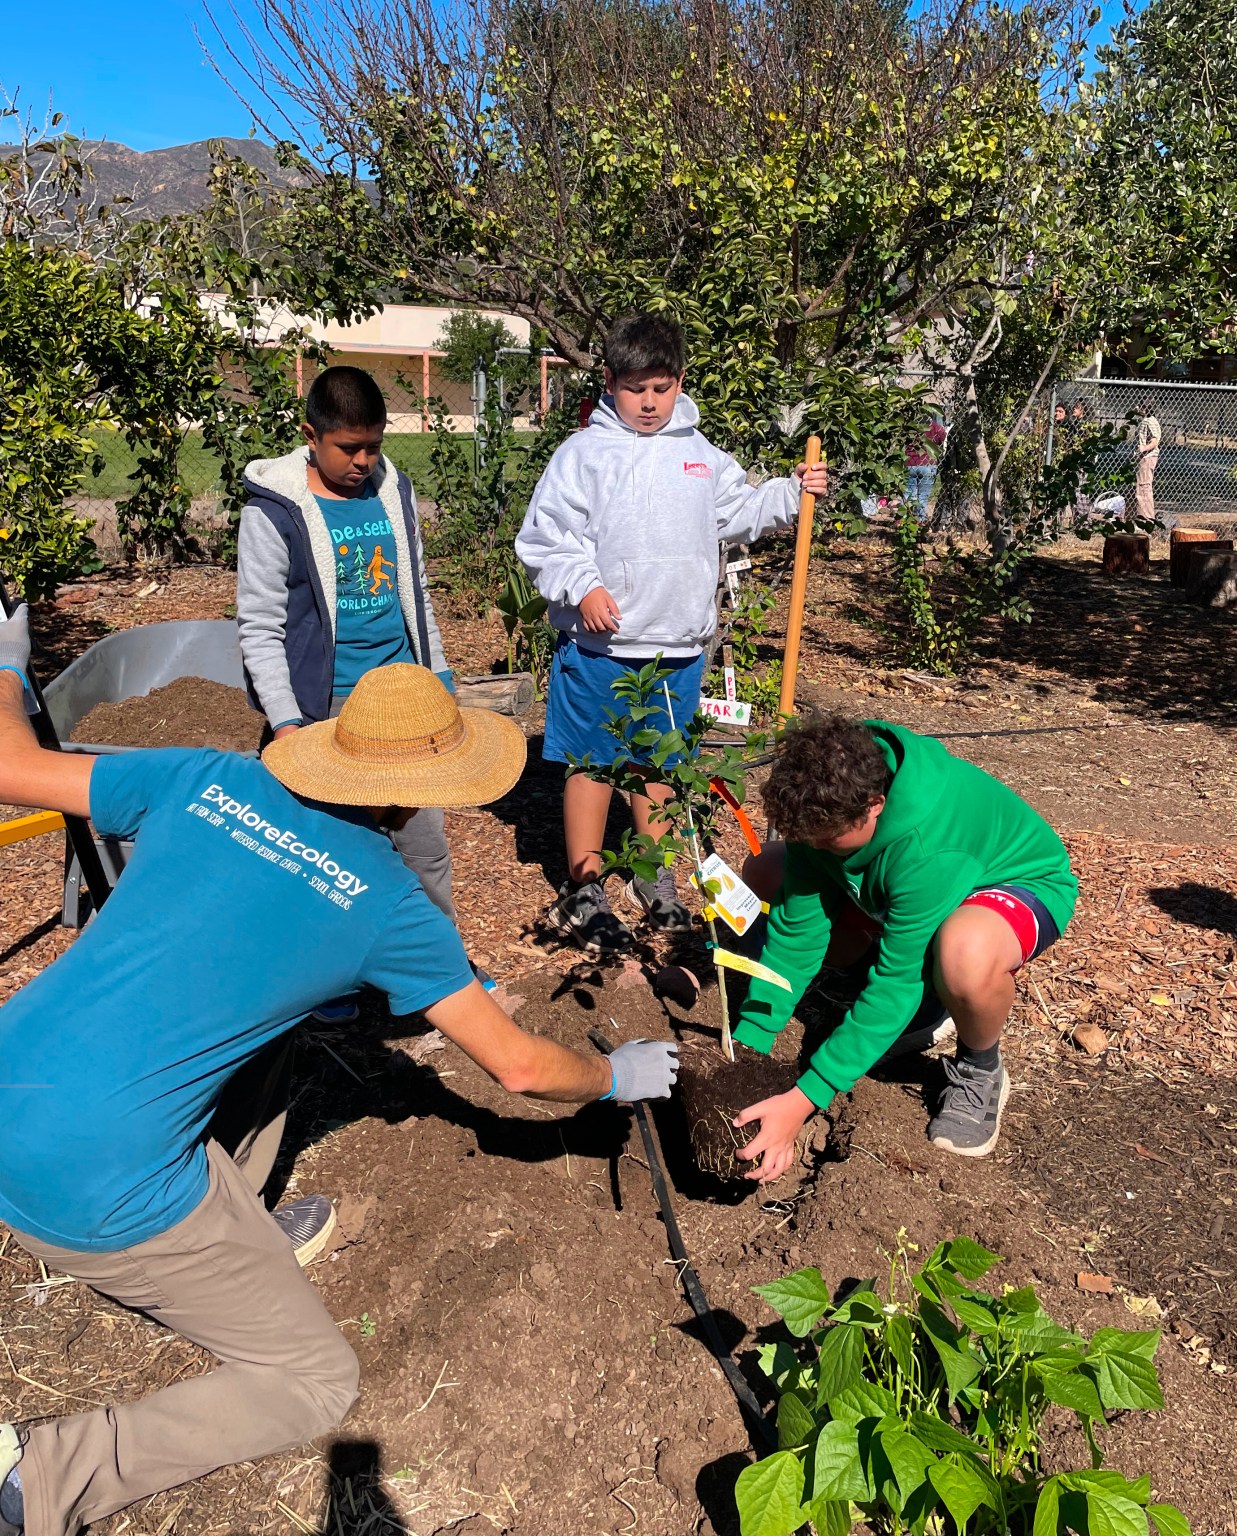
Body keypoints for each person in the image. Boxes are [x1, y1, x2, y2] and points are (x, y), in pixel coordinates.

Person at [0, 605, 677, 1536]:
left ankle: (234, 1214)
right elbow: (516, 1069)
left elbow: (12, 769)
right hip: (90, 1189)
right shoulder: (390, 906)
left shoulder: (206, 776)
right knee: (313, 1381)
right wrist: (612, 1077)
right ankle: (33, 1478)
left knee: (275, 1028)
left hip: (16, 1074)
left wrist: (6, 666)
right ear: (420, 793)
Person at [515, 312, 830, 954]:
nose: (650, 402)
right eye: (636, 389)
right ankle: (584, 880)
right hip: (602, 648)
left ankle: (653, 872)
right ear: (609, 382)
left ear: (679, 382)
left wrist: (790, 493)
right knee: (593, 764)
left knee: (657, 762)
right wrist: (583, 585)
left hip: (679, 648)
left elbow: (739, 510)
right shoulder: (583, 456)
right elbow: (546, 538)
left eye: (661, 388)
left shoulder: (700, 457)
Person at [728, 715, 1077, 1181]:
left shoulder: (926, 846)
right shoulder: (827, 802)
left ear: (875, 805)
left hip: (1016, 883)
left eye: (827, 839)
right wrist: (751, 1041)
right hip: (906, 883)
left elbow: (896, 980)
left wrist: (804, 1099)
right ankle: (925, 1003)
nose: (814, 845)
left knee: (963, 955)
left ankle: (980, 1065)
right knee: (767, 871)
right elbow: (797, 934)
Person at [236, 365, 478, 1006]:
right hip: (327, 711)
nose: (364, 461)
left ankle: (442, 974)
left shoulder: (390, 491)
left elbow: (413, 591)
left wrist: (439, 673)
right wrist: (288, 718)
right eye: (349, 448)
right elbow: (259, 628)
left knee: (422, 844)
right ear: (311, 436)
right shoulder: (275, 514)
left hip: (400, 701)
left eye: (374, 446)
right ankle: (332, 981)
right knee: (331, 853)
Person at [902, 413, 948, 520]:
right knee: (923, 496)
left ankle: (905, 518)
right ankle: (919, 520)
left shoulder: (911, 427)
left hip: (910, 464)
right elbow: (944, 440)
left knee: (909, 494)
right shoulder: (936, 427)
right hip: (928, 463)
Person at [1134, 408, 1162, 525]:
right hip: (1143, 458)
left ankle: (1147, 520)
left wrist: (1143, 449)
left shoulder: (1150, 421)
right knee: (1140, 488)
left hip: (1147, 457)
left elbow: (1155, 441)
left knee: (1144, 488)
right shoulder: (1145, 420)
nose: (1136, 408)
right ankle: (1141, 518)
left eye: (1139, 405)